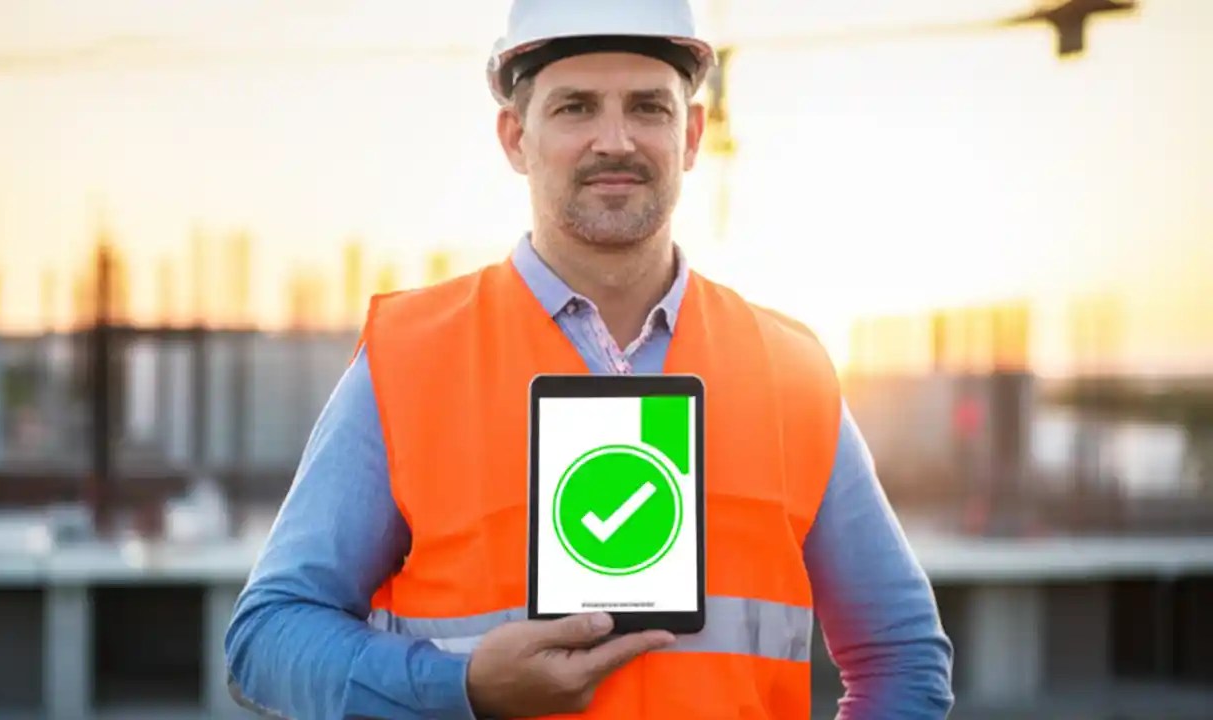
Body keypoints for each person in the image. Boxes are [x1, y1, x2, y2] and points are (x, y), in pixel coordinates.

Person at [224, 0, 955, 717]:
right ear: (515, 137)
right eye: (576, 107)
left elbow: (903, 657)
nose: (615, 140)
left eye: (648, 108)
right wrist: (464, 688)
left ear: (693, 133)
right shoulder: (411, 359)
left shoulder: (787, 370)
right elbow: (266, 641)